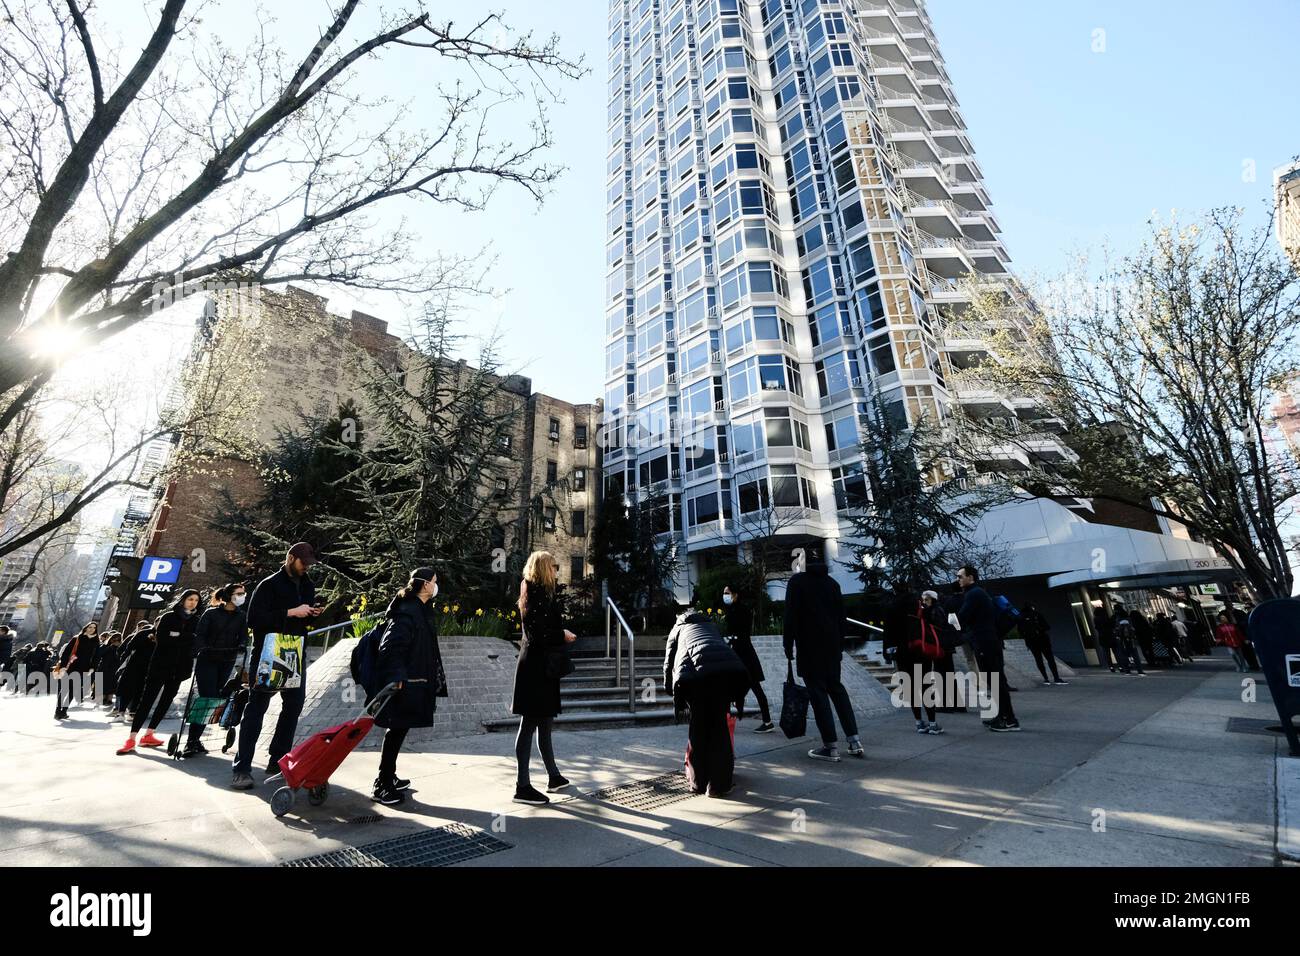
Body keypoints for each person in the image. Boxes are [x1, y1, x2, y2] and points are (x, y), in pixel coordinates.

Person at [232, 543, 322, 790]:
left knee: (293, 706)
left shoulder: (308, 585)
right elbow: (254, 619)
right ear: (291, 558)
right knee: (257, 708)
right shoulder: (269, 584)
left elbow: (302, 618)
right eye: (303, 563)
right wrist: (292, 612)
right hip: (268, 652)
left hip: (295, 651)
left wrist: (311, 613)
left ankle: (279, 760)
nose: (306, 568)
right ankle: (242, 768)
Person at [371, 567, 447, 806]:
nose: (436, 586)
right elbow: (391, 647)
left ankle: (388, 776)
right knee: (396, 729)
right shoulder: (407, 612)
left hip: (415, 680)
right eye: (434, 582)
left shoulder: (421, 610)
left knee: (399, 729)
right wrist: (397, 677)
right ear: (425, 585)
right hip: (405, 683)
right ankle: (382, 785)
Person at [664, 598, 751, 797]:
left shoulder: (678, 628)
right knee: (719, 727)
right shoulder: (710, 626)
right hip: (725, 676)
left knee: (698, 728)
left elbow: (669, 661)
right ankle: (719, 786)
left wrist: (670, 690)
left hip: (695, 679)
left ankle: (698, 783)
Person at [510, 551, 576, 806]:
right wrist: (563, 634)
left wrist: (560, 633)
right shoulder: (534, 593)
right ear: (543, 568)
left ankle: (553, 776)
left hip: (542, 668)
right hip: (535, 668)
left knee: (545, 723)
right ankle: (522, 786)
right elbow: (538, 634)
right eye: (554, 566)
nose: (557, 571)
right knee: (529, 724)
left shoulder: (540, 592)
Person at [783, 554, 864, 761]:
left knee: (818, 692)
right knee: (836, 688)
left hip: (809, 647)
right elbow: (841, 618)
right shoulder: (832, 583)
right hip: (831, 648)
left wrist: (788, 643)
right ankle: (854, 741)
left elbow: (790, 615)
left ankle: (830, 746)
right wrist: (838, 646)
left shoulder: (797, 582)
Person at [118, 590, 201, 754]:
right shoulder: (168, 617)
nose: (193, 602)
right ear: (183, 600)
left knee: (166, 701)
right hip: (160, 665)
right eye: (190, 599)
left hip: (180, 668)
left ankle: (149, 734)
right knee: (146, 700)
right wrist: (185, 638)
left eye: (196, 600)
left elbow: (195, 642)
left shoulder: (197, 620)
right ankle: (131, 738)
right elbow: (162, 639)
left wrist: (178, 636)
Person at [953, 565, 1020, 732]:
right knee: (994, 680)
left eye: (960, 576)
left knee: (996, 680)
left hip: (985, 642)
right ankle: (1002, 716)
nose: (958, 579)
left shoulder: (974, 594)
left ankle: (1009, 719)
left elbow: (961, 617)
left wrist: (949, 619)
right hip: (986, 641)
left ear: (971, 577)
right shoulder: (976, 593)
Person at [185, 583, 248, 757]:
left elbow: (243, 635)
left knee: (214, 699)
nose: (242, 596)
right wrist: (202, 648)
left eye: (243, 593)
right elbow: (200, 634)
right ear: (229, 596)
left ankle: (195, 739)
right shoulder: (211, 613)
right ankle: (192, 740)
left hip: (227, 660)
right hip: (208, 660)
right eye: (239, 593)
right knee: (207, 697)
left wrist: (242, 644)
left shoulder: (241, 616)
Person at [884, 590, 942, 735]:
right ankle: (933, 723)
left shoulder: (892, 609)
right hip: (919, 651)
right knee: (926, 686)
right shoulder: (918, 607)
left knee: (910, 687)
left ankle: (919, 722)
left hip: (902, 653)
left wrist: (887, 653)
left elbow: (888, 633)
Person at [722, 584, 772, 733]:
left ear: (735, 594)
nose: (725, 595)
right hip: (743, 655)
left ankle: (767, 721)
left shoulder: (740, 611)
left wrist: (729, 639)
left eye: (727, 593)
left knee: (752, 688)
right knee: (749, 688)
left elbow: (740, 633)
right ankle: (767, 720)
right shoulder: (735, 610)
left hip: (743, 656)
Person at [54, 622, 99, 719]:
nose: (92, 629)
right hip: (70, 667)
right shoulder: (77, 638)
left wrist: (92, 668)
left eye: (94, 628)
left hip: (84, 669)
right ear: (86, 628)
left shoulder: (96, 641)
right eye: (90, 627)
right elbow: (66, 653)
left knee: (73, 690)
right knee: (65, 689)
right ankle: (57, 711)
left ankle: (64, 711)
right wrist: (63, 666)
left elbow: (96, 657)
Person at [114, 621, 156, 720]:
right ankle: (120, 711)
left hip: (150, 668)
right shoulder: (143, 633)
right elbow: (128, 648)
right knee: (127, 688)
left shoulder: (165, 636)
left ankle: (132, 712)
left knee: (140, 690)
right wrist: (123, 663)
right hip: (134, 665)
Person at [1020, 603, 1067, 685]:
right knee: (1050, 659)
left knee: (1038, 660)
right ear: (1032, 608)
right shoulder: (1037, 614)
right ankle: (1056, 678)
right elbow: (1047, 627)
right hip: (1043, 640)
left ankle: (1046, 679)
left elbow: (1020, 631)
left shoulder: (1021, 617)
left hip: (1031, 642)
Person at [1112, 606, 1145, 676]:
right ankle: (1140, 671)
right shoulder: (1128, 617)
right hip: (1131, 639)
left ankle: (1127, 670)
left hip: (1121, 639)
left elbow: (1114, 628)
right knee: (1135, 654)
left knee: (1123, 655)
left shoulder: (1116, 618)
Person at [94, 634, 122, 713]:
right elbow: (100, 654)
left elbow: (119, 658)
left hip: (113, 670)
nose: (116, 642)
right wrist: (110, 647)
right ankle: (101, 699)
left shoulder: (120, 648)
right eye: (114, 640)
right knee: (102, 683)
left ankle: (109, 699)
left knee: (111, 684)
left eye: (118, 640)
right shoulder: (105, 646)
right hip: (103, 668)